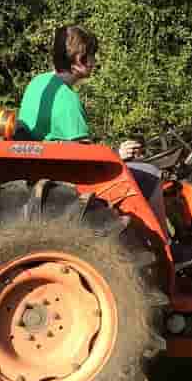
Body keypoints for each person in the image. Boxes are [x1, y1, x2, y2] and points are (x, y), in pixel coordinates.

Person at [18, 25, 167, 233]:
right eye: (92, 56)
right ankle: (164, 244)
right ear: (79, 60)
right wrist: (118, 154)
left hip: (41, 169)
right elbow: (87, 163)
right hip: (66, 180)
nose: (95, 62)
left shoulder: (38, 82)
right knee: (151, 175)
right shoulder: (67, 101)